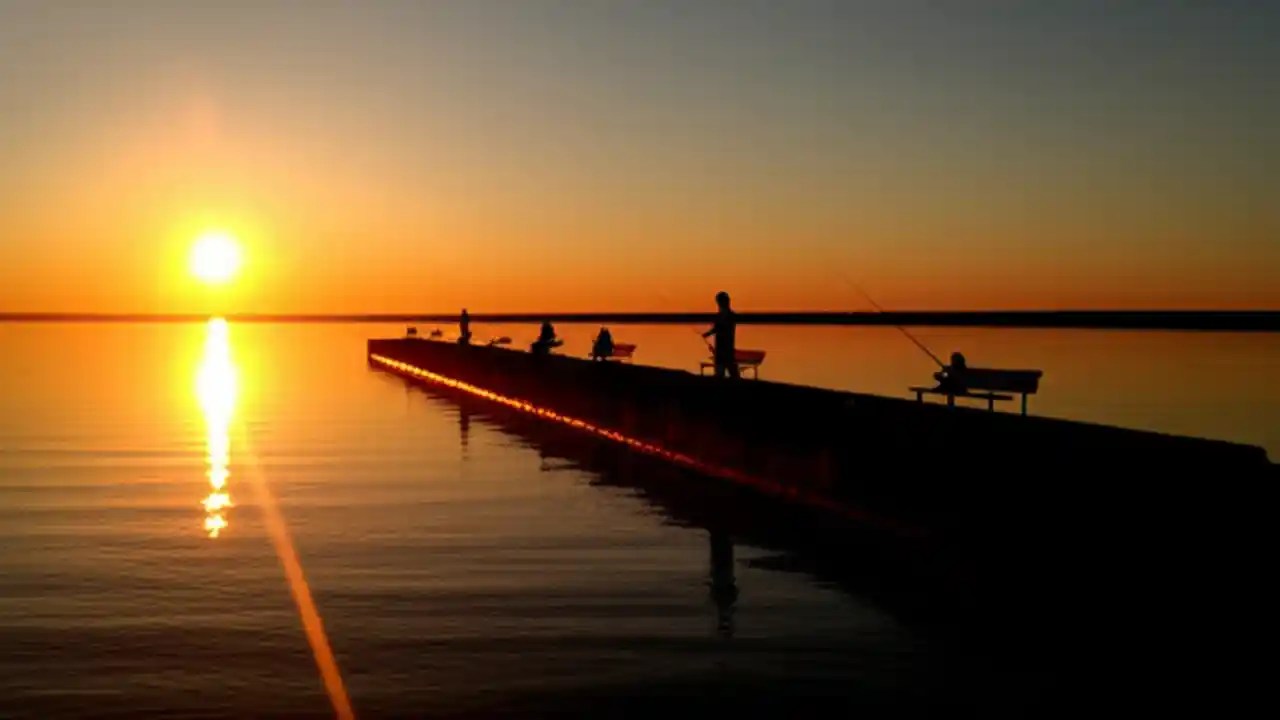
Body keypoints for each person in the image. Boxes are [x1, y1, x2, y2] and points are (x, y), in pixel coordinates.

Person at [701, 291, 739, 379]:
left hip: (725, 349)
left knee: (724, 373)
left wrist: (708, 333)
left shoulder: (726, 316)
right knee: (727, 373)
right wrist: (708, 334)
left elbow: (719, 328)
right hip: (725, 349)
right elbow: (718, 328)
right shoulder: (728, 315)